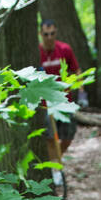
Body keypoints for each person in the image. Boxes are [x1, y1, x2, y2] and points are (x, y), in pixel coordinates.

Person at [39, 18, 87, 167]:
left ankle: (54, 159)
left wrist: (82, 92)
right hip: (45, 104)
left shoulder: (64, 50)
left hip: (65, 101)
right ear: (41, 34)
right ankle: (54, 168)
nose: (49, 37)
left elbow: (76, 70)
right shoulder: (37, 52)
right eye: (46, 34)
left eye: (52, 33)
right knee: (50, 137)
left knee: (68, 136)